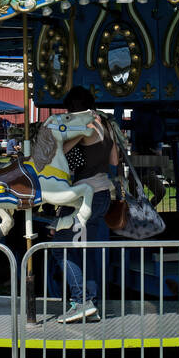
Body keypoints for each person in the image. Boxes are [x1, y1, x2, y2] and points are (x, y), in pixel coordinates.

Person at [54, 86, 115, 324]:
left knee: (61, 246)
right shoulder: (107, 126)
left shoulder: (85, 125)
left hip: (84, 196)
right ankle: (90, 302)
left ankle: (81, 301)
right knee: (82, 247)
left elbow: (59, 152)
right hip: (102, 194)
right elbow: (114, 159)